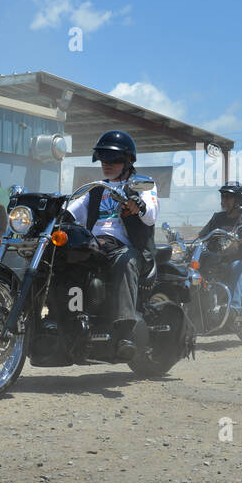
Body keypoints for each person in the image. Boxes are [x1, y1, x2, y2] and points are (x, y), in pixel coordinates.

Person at [65, 131, 159, 358]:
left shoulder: (141, 185)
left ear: (128, 161)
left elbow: (151, 216)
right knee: (62, 256)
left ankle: (125, 332)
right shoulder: (96, 188)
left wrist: (139, 205)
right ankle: (63, 319)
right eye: (104, 158)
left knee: (125, 260)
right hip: (95, 244)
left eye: (114, 159)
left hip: (128, 248)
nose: (107, 164)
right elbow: (70, 210)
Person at [197, 181, 242, 327]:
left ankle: (234, 309)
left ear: (238, 200)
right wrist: (182, 242)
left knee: (238, 265)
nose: (224, 200)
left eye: (228, 197)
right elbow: (201, 236)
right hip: (219, 261)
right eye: (223, 197)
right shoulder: (217, 218)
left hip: (240, 262)